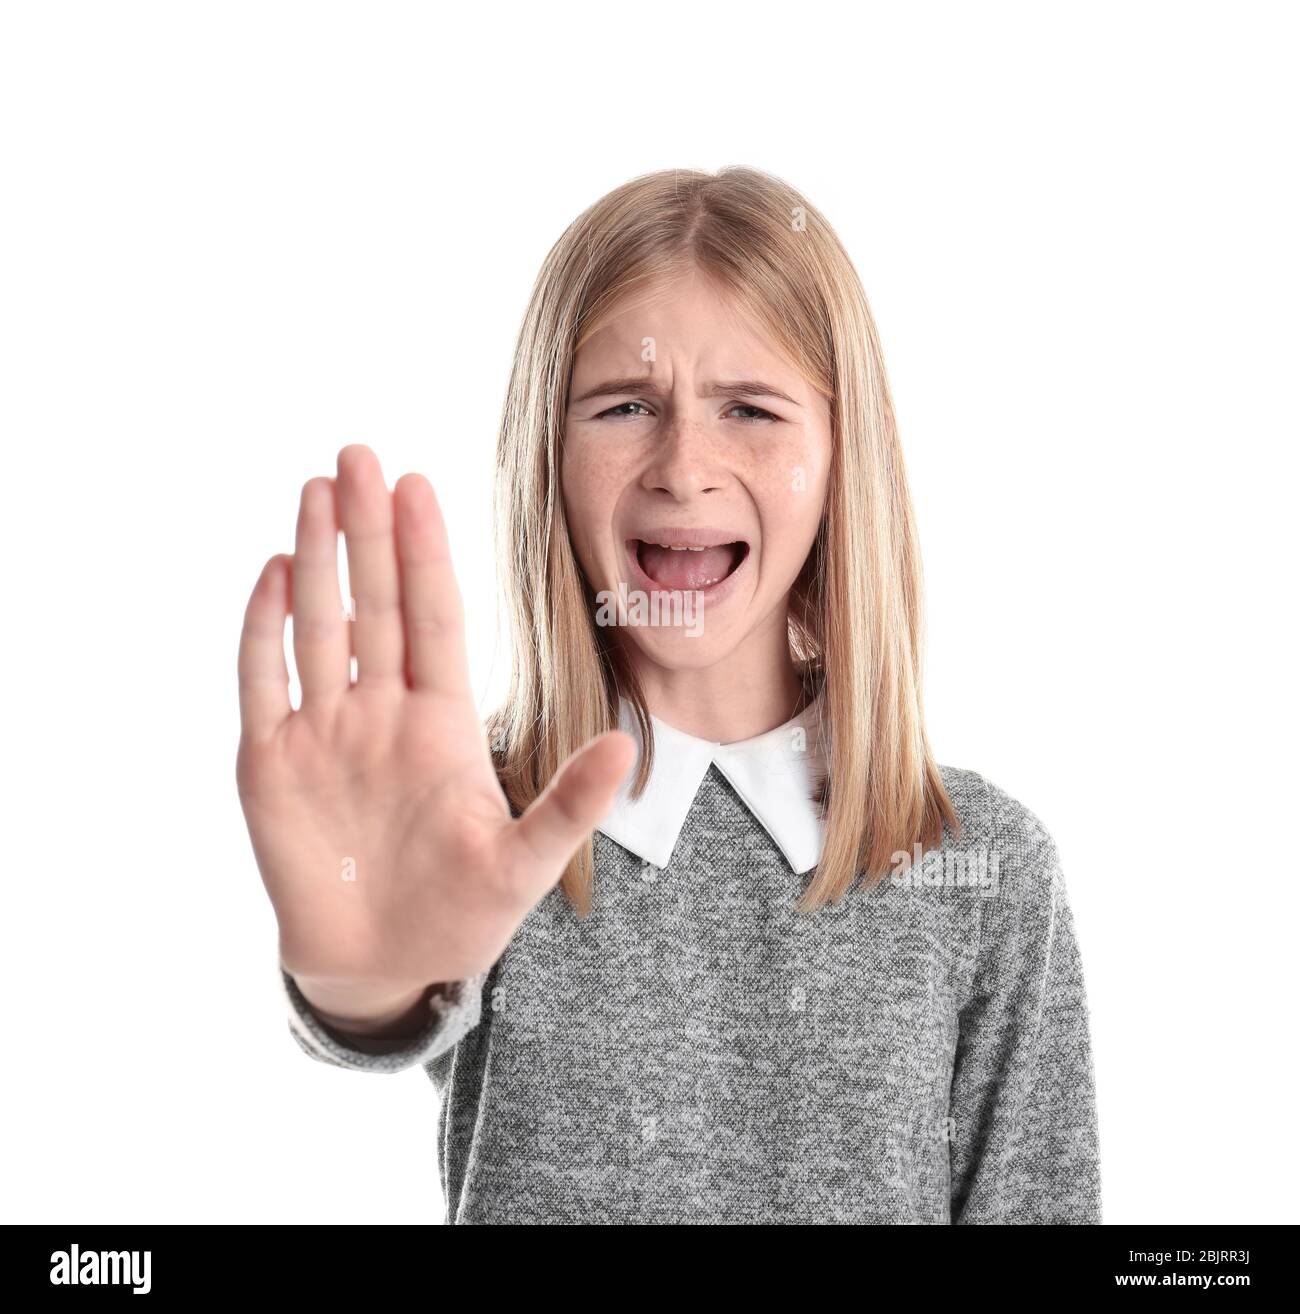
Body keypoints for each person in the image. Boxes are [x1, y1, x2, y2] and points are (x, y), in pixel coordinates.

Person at [236, 166, 1101, 1224]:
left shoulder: (985, 870)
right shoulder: (481, 824)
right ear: (545, 458)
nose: (683, 467)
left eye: (751, 408)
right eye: (625, 405)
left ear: (840, 461)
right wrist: (358, 986)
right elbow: (384, 994)